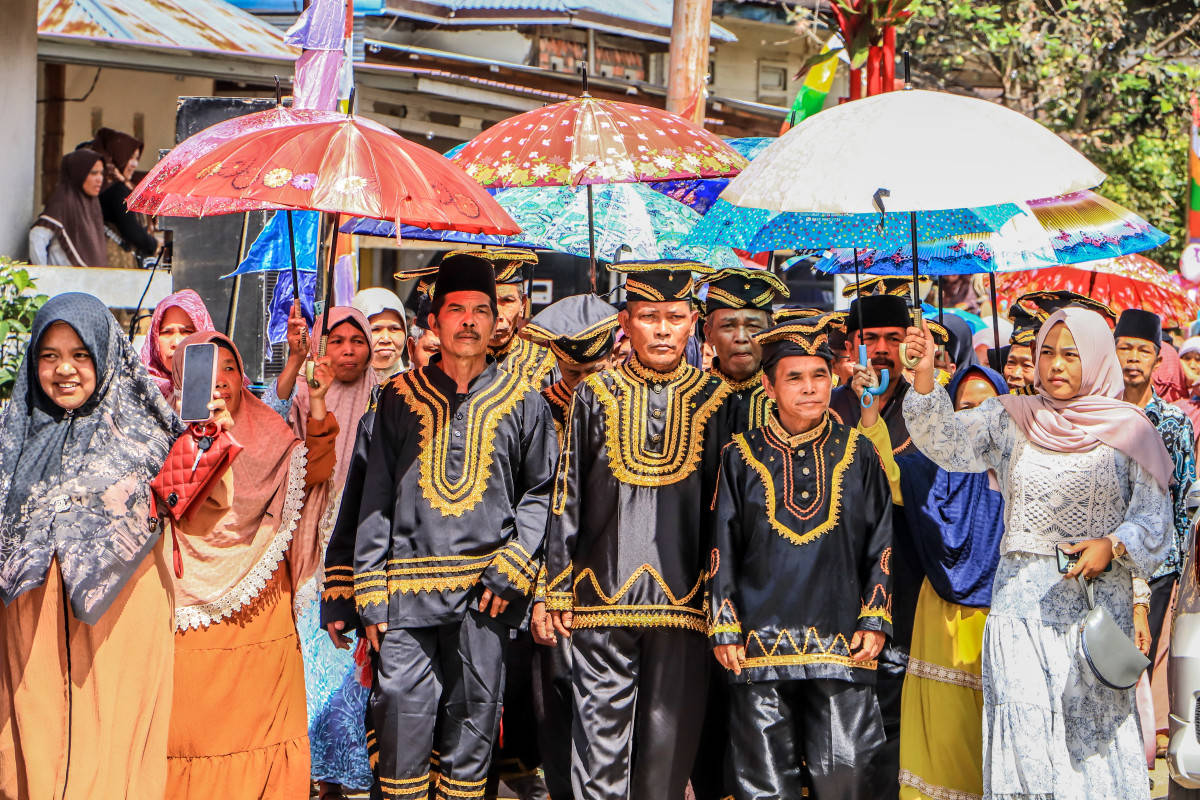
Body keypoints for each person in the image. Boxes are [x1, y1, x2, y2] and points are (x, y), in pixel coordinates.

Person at [902, 308, 1173, 799]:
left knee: (1087, 743)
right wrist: (924, 381)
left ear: (1095, 357)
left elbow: (1155, 520)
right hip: (1018, 608)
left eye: (1071, 354)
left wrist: (1111, 546)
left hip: (1092, 614)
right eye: (1047, 352)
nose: (1055, 365)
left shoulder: (1130, 429)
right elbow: (944, 444)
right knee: (1023, 732)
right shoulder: (1010, 419)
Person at [354, 253, 557, 800]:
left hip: (483, 601)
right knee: (398, 730)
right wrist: (369, 593)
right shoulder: (396, 399)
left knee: (472, 739)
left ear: (497, 323)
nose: (469, 320)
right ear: (434, 322)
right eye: (456, 310)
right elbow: (371, 498)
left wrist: (515, 563)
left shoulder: (525, 402)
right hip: (405, 599)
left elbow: (543, 491)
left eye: (480, 311)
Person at [544, 260, 736, 800]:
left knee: (666, 760)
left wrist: (725, 600)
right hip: (599, 598)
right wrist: (557, 583)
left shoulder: (717, 399)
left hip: (687, 602)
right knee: (597, 754)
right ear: (624, 323)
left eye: (675, 317)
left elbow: (726, 510)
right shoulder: (594, 393)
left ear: (693, 323)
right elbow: (568, 491)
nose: (662, 329)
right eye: (648, 316)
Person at [0, 293, 181, 799]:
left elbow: (202, 505)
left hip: (118, 623)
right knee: (31, 750)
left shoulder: (149, 433)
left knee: (111, 748)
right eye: (49, 355)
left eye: (80, 354)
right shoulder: (11, 434)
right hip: (30, 626)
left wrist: (211, 441)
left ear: (106, 354)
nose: (64, 370)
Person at [708, 313, 892, 800]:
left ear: (835, 379)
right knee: (765, 782)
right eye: (794, 377)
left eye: (819, 375)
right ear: (769, 386)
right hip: (757, 641)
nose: (810, 388)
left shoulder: (859, 453)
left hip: (842, 640)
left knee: (846, 772)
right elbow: (722, 546)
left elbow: (881, 539)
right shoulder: (740, 455)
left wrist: (875, 618)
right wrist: (725, 625)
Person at [166, 330, 336, 798]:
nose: (219, 380)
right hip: (184, 608)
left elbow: (316, 469)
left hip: (260, 612)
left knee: (263, 731)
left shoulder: (270, 433)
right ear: (181, 375)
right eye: (205, 367)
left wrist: (317, 402)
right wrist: (203, 439)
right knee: (189, 735)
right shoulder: (159, 432)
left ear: (243, 377)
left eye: (230, 369)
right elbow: (168, 505)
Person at [269, 305, 378, 797]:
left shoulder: (386, 395)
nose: (348, 351)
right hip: (311, 533)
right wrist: (299, 366)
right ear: (323, 346)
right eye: (337, 341)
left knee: (359, 660)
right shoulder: (305, 391)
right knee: (315, 654)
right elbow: (269, 419)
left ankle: (359, 768)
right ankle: (317, 772)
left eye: (358, 341)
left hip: (366, 536)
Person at [520, 293, 619, 800]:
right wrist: (541, 589)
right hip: (552, 585)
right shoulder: (539, 410)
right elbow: (535, 505)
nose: (585, 387)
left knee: (613, 715)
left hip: (618, 582)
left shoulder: (630, 404)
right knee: (556, 706)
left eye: (595, 372)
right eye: (574, 376)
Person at [893, 365, 1008, 800]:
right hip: (939, 617)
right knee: (941, 732)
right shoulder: (927, 466)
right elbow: (886, 475)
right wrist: (869, 415)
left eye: (988, 407)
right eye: (964, 408)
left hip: (1002, 616)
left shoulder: (1020, 465)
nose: (976, 417)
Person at [828, 292, 921, 797]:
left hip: (904, 579)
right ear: (851, 344)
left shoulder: (927, 406)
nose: (882, 349)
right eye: (871, 339)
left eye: (893, 338)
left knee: (893, 702)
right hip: (834, 580)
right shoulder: (826, 403)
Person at [1114, 309, 1196, 675]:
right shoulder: (1099, 414)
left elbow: (1185, 493)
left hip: (1158, 564)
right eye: (1124, 348)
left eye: (1143, 351)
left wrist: (1179, 562)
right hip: (1108, 556)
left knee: (1137, 664)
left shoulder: (1174, 422)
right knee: (1105, 657)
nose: (1132, 359)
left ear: (1158, 359)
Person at [697, 266, 789, 432]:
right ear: (708, 333)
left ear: (771, 332)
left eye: (752, 326)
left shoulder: (788, 399)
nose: (740, 337)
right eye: (728, 326)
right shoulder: (691, 397)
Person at [460, 248, 556, 386]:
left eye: (507, 301)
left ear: (522, 304)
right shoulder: (455, 361)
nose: (497, 314)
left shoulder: (543, 363)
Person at [86, 128, 158, 262]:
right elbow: (132, 231)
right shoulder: (116, 190)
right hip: (115, 261)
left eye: (137, 158)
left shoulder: (114, 185)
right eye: (130, 158)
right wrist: (154, 245)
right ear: (118, 155)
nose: (134, 164)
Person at [29, 149, 107, 267]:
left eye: (101, 173)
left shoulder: (92, 203)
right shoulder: (64, 200)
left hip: (85, 281)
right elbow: (37, 237)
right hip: (63, 282)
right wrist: (43, 276)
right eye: (93, 173)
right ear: (79, 173)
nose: (99, 179)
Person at [140, 289, 218, 398]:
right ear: (154, 340)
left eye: (187, 332)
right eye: (166, 332)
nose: (176, 343)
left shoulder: (227, 388)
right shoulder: (136, 391)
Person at [353, 287, 409, 382]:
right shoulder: (333, 389)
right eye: (375, 329)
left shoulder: (419, 388)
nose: (386, 339)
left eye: (394, 329)